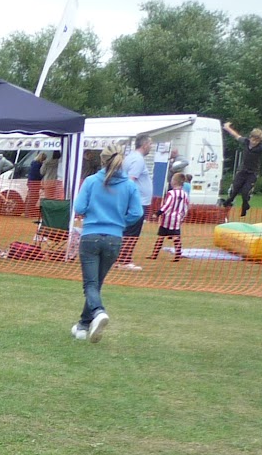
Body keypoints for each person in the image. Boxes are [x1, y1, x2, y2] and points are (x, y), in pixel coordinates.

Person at [69, 144, 143, 343]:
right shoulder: (129, 185)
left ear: (102, 160)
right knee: (97, 283)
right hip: (114, 239)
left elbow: (79, 206)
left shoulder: (92, 181)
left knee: (90, 284)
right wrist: (119, 223)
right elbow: (137, 213)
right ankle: (83, 325)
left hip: (91, 235)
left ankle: (98, 312)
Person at [117, 134, 154, 270]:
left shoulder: (130, 157)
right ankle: (125, 260)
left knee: (127, 230)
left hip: (135, 201)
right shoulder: (138, 160)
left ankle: (120, 259)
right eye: (150, 144)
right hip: (137, 202)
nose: (151, 146)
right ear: (144, 145)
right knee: (132, 232)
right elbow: (131, 180)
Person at [148, 170, 191, 261]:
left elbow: (167, 205)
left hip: (167, 219)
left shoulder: (171, 193)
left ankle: (154, 255)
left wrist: (158, 213)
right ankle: (178, 255)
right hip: (177, 219)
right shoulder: (185, 194)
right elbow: (186, 207)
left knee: (161, 237)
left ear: (174, 182)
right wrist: (182, 217)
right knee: (176, 237)